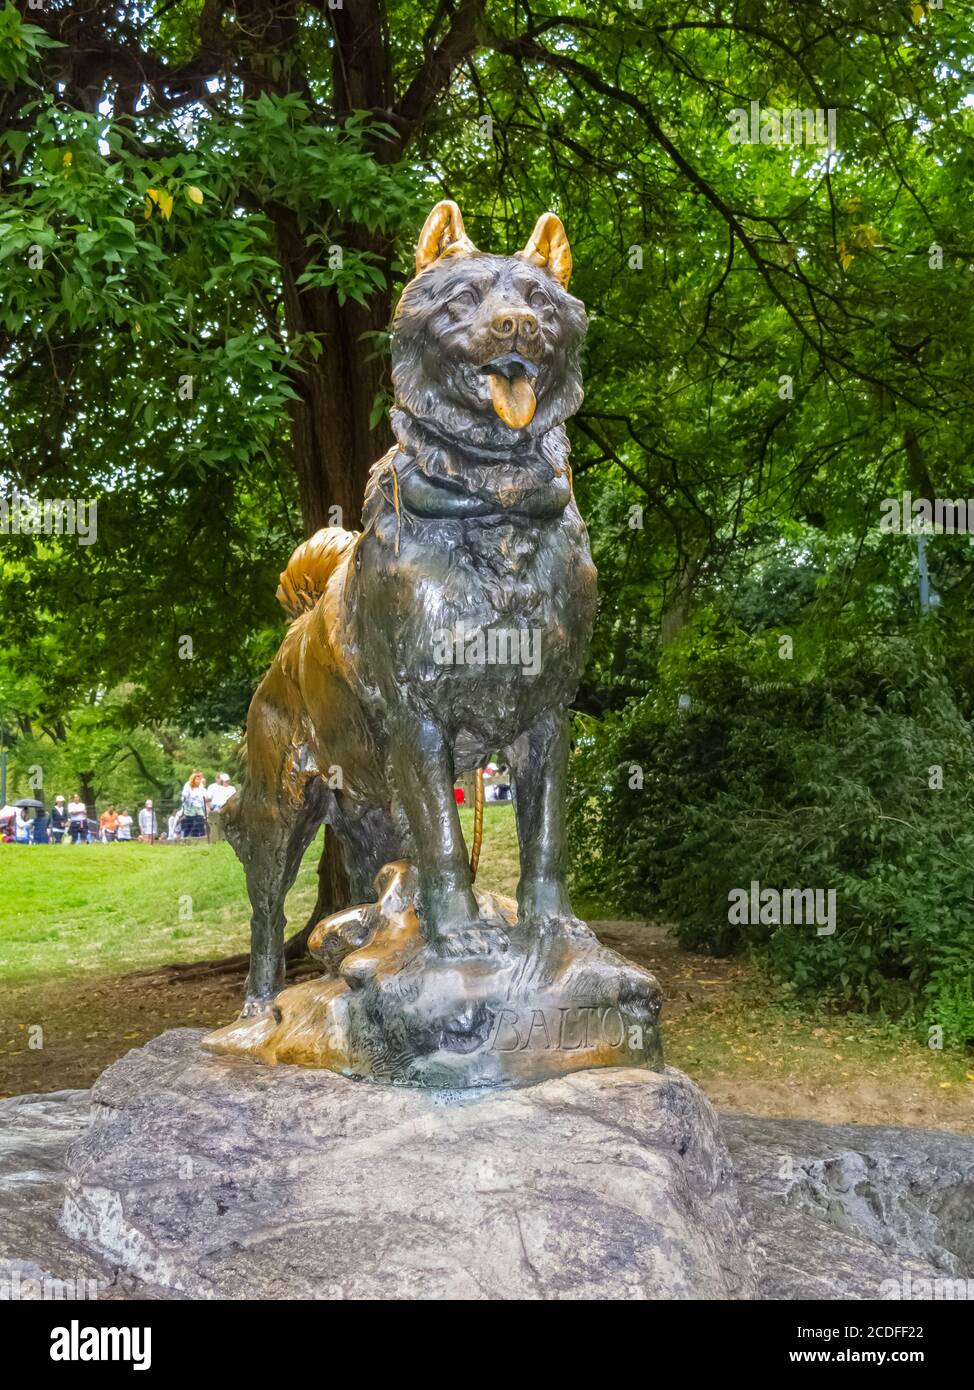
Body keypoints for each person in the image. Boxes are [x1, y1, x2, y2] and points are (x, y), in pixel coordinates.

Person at [204, 772, 236, 842]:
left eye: (227, 781)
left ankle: (226, 837)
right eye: (225, 781)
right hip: (216, 807)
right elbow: (207, 798)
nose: (226, 782)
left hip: (229, 807)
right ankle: (216, 838)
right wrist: (208, 807)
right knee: (217, 823)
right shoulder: (213, 787)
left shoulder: (231, 788)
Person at [180, 772, 207, 839]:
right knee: (189, 824)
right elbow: (185, 794)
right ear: (193, 780)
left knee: (200, 821)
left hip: (199, 807)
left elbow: (204, 795)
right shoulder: (188, 785)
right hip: (190, 807)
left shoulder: (201, 786)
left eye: (199, 779)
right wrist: (184, 798)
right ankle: (185, 838)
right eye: (196, 779)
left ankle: (198, 836)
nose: (198, 781)